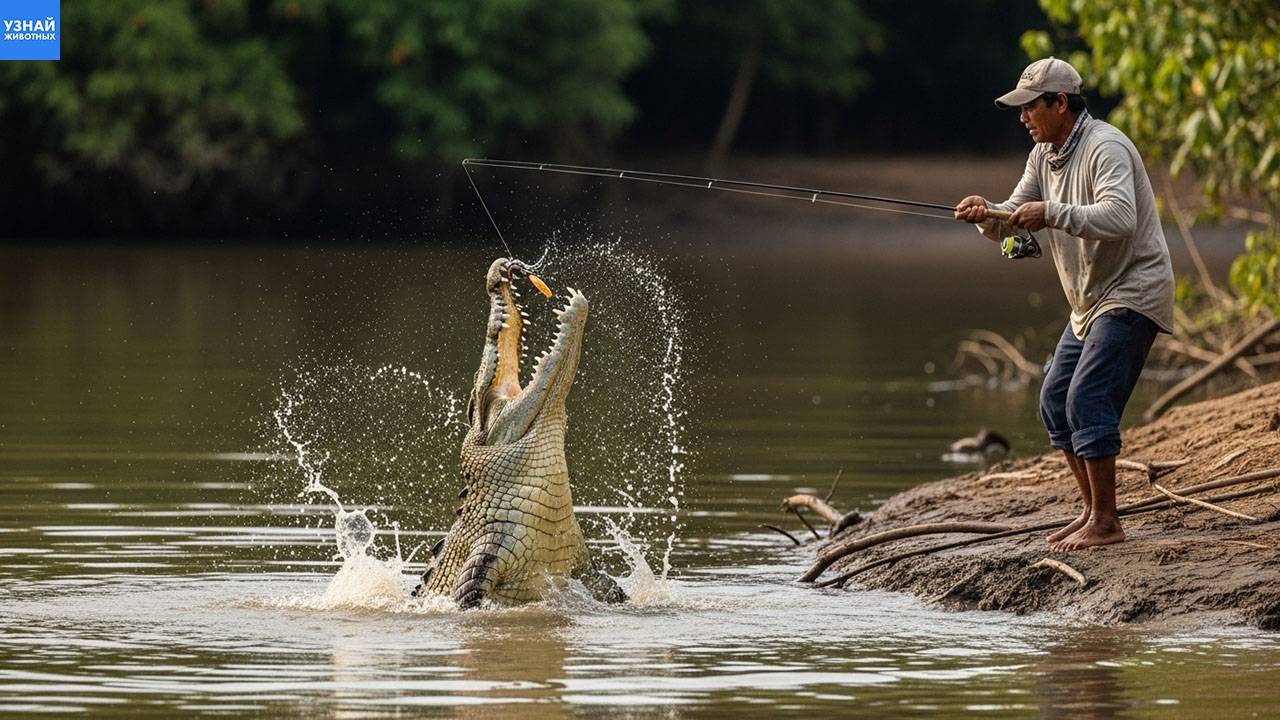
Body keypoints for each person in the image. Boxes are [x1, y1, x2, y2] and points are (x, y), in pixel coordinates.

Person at [954, 57, 1174, 552]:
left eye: (1031, 107)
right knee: (1055, 400)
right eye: (1021, 108)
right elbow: (1015, 216)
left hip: (1133, 291)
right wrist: (986, 215)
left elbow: (1119, 216)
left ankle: (1108, 522)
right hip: (1088, 302)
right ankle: (1093, 512)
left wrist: (1050, 212)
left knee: (1086, 399)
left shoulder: (1106, 147)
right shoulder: (1042, 156)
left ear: (1060, 103)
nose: (1022, 117)